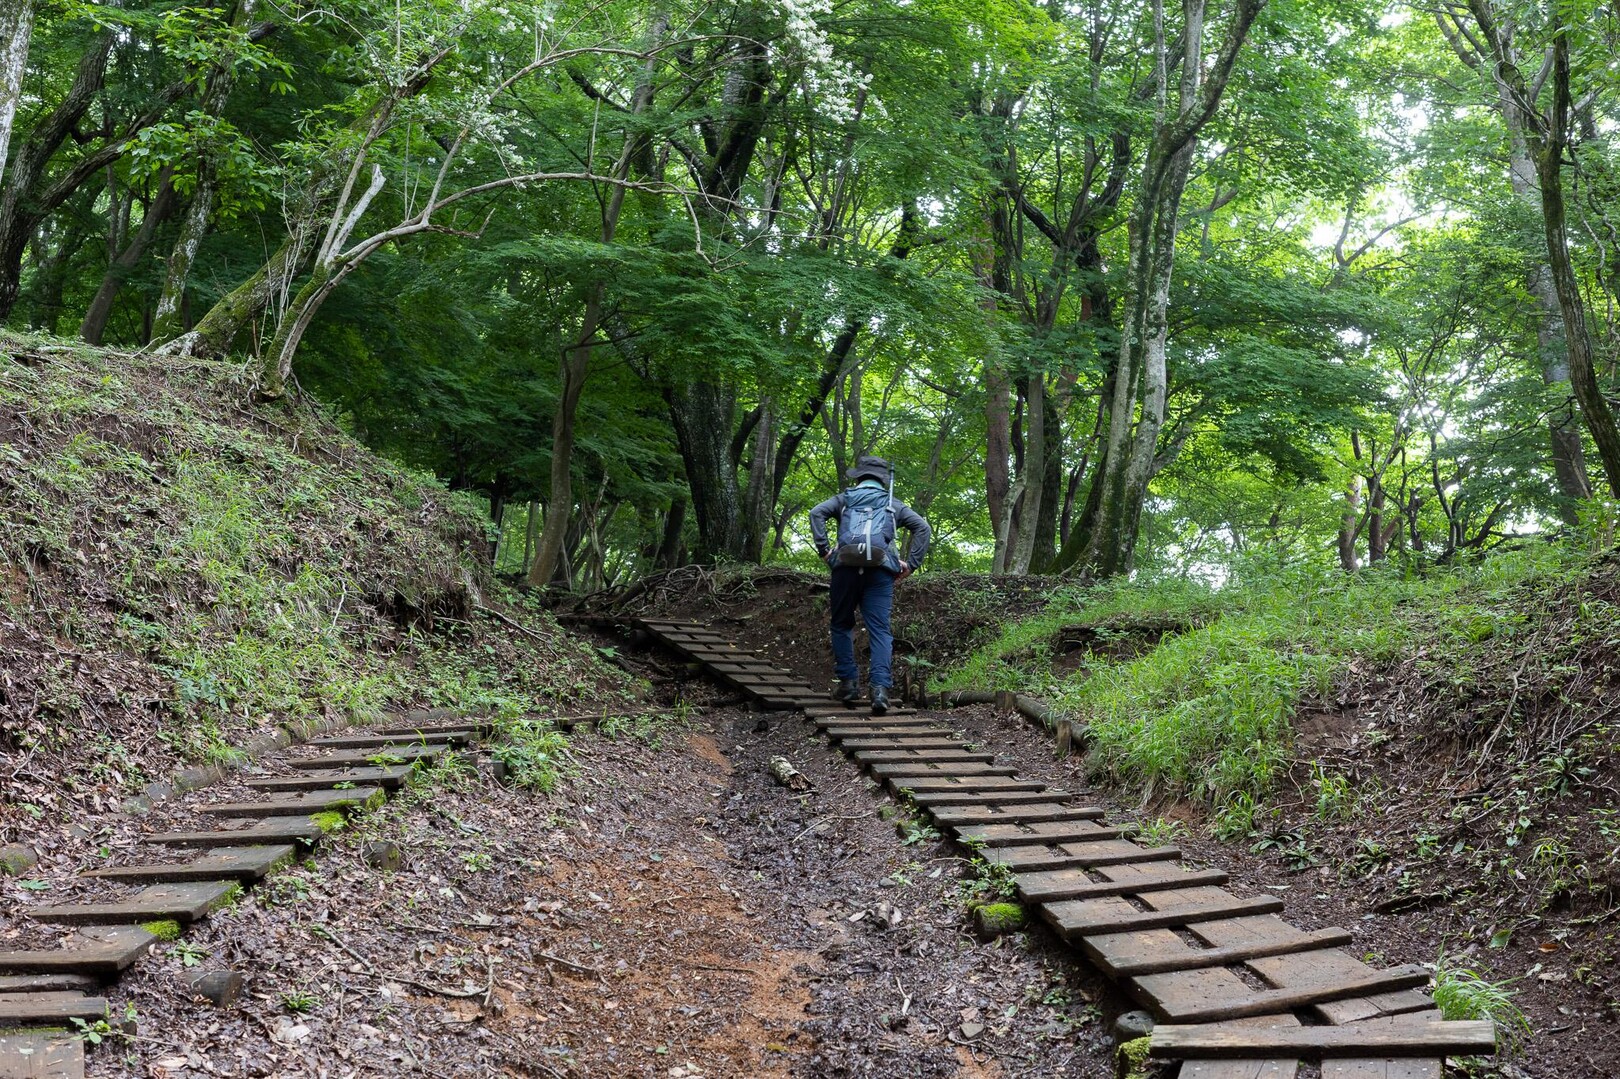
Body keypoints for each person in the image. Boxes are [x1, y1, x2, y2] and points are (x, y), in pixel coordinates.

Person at [808, 455, 932, 715]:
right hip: (880, 571)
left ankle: (849, 685)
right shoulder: (892, 504)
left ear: (859, 477)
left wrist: (824, 551)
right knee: (880, 630)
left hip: (844, 569)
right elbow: (922, 528)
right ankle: (879, 690)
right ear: (882, 479)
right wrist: (911, 564)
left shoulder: (845, 499)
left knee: (841, 624)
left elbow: (816, 512)